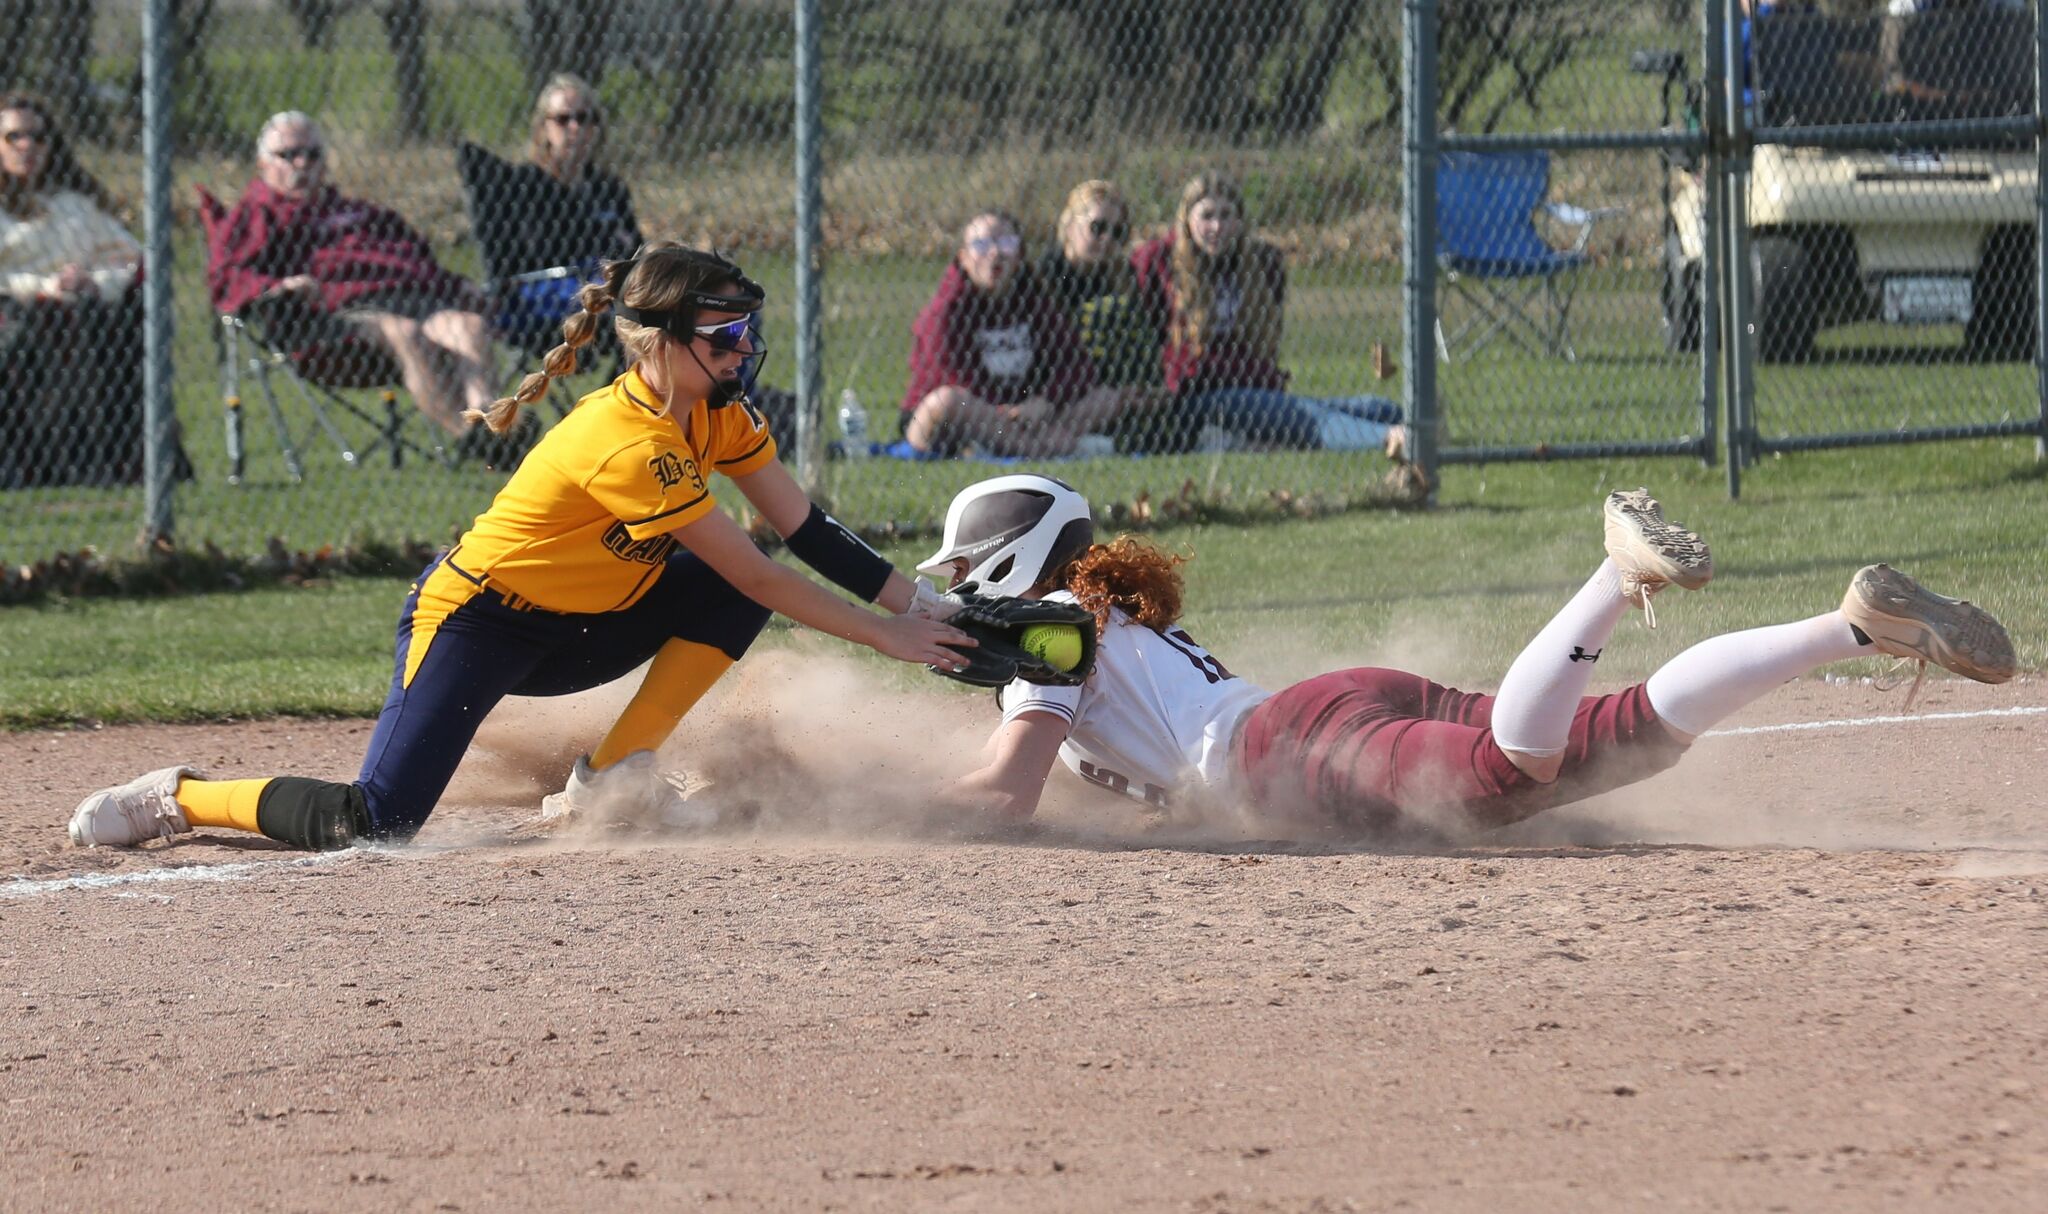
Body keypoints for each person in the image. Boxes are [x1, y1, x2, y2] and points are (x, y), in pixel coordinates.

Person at [68, 244, 984, 852]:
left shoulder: (720, 413)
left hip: (597, 623)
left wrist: (923, 607)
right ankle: (180, 797)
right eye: (725, 335)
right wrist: (887, 638)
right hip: (480, 624)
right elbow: (756, 565)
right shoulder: (626, 439)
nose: (745, 350)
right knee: (374, 821)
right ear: (661, 342)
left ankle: (613, 780)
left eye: (747, 331)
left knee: (726, 592)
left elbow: (805, 530)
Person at [923, 475, 2015, 836]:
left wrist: (884, 801)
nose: (962, 597)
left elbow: (1007, 791)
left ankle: (1611, 574)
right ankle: (1854, 627)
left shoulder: (1051, 633)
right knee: (1609, 743)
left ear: (1007, 564)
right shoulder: (1103, 608)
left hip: (1288, 745)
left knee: (1501, 776)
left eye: (965, 575)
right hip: (1324, 705)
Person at [207, 112, 509, 454]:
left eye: (312, 154)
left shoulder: (361, 213)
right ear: (263, 164)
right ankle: (469, 438)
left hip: (412, 299)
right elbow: (226, 276)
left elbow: (419, 261)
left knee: (468, 326)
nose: (302, 163)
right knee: (405, 332)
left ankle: (489, 422)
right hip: (334, 321)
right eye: (288, 155)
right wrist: (280, 286)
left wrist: (456, 288)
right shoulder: (258, 214)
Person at [1131, 172, 1406, 456]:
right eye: (1207, 216)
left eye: (1226, 215)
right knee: (1307, 418)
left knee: (1381, 408)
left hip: (1254, 386)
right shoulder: (1160, 261)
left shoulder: (1260, 262)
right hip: (1197, 395)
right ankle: (1388, 438)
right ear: (1187, 220)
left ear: (1239, 221)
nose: (1217, 226)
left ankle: (1398, 425)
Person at [0, 91, 173, 488]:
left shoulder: (76, 204)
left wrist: (93, 280)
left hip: (87, 311)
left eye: (38, 137)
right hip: (18, 312)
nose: (28, 146)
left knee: (116, 323)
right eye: (14, 137)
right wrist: (45, 287)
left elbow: (130, 259)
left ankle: (111, 459)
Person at [900, 210, 1123, 459]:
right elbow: (956, 377)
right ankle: (1052, 450)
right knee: (947, 400)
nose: (995, 253)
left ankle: (1009, 448)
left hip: (1028, 415)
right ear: (963, 257)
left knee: (1106, 398)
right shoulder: (944, 312)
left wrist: (1045, 402)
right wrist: (1002, 411)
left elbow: (1076, 365)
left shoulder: (1035, 301)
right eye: (982, 244)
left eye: (1006, 244)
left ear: (1019, 256)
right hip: (963, 419)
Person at [462, 74, 643, 355]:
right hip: (543, 299)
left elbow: (635, 250)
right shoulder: (522, 185)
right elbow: (530, 255)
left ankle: (625, 395)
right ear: (543, 127)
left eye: (584, 118)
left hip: (610, 290)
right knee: (638, 310)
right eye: (562, 119)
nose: (575, 127)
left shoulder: (609, 188)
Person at [1036, 180, 1170, 453]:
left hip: (1109, 385)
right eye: (1097, 228)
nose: (1107, 239)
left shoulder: (1121, 275)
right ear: (1071, 226)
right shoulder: (1047, 276)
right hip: (1061, 389)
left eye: (1117, 232)